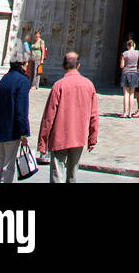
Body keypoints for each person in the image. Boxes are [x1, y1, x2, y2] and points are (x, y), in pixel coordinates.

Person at [37, 51, 98, 184]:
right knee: (73, 174)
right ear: (79, 65)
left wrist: (42, 141)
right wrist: (92, 138)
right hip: (78, 136)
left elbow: (48, 116)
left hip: (59, 136)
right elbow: (94, 115)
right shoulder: (89, 85)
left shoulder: (58, 86)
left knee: (57, 173)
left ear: (64, 66)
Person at [0, 50, 31, 183]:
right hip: (12, 130)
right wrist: (23, 133)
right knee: (8, 167)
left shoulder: (4, 79)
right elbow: (21, 111)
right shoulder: (22, 81)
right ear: (23, 64)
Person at [120, 37, 139, 118]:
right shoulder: (138, 53)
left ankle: (124, 112)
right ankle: (130, 113)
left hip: (126, 72)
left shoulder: (124, 53)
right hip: (134, 73)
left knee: (126, 94)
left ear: (128, 46)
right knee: (132, 94)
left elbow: (122, 65)